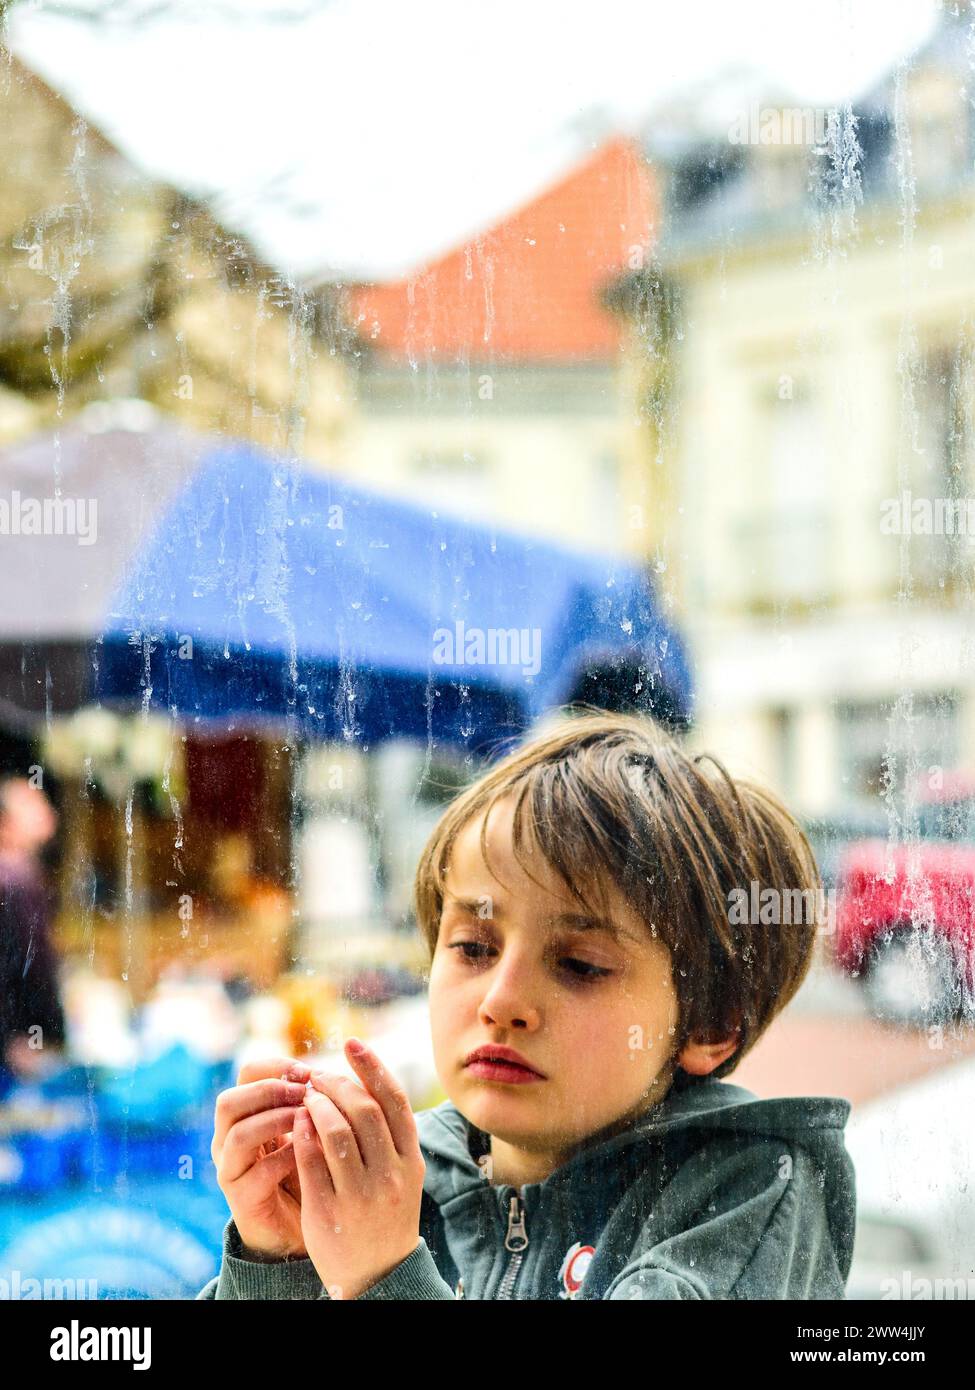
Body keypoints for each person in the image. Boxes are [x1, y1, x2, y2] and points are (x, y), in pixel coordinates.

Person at [197, 710, 856, 1300]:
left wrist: (382, 1277)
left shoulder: (749, 1191)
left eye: (579, 965)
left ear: (709, 1024)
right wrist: (276, 1261)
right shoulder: (404, 1181)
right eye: (473, 948)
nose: (501, 1000)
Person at [0, 777, 66, 1079]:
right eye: (31, 803)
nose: (45, 809)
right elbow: (34, 965)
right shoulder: (15, 877)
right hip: (20, 1039)